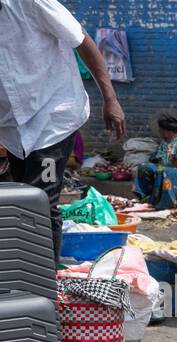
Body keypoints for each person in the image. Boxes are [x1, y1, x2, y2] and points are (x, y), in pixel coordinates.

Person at [0, 0, 125, 261]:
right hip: (13, 128)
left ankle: (44, 284)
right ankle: (22, 273)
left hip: (53, 117)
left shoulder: (31, 3)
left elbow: (82, 40)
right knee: (21, 199)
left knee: (41, 200)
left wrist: (110, 98)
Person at [132, 110, 177, 210]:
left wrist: (160, 167)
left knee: (161, 170)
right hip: (166, 169)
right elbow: (160, 160)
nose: (159, 132)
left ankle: (164, 203)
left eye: (160, 130)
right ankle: (145, 197)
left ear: (167, 130)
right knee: (143, 167)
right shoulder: (164, 142)